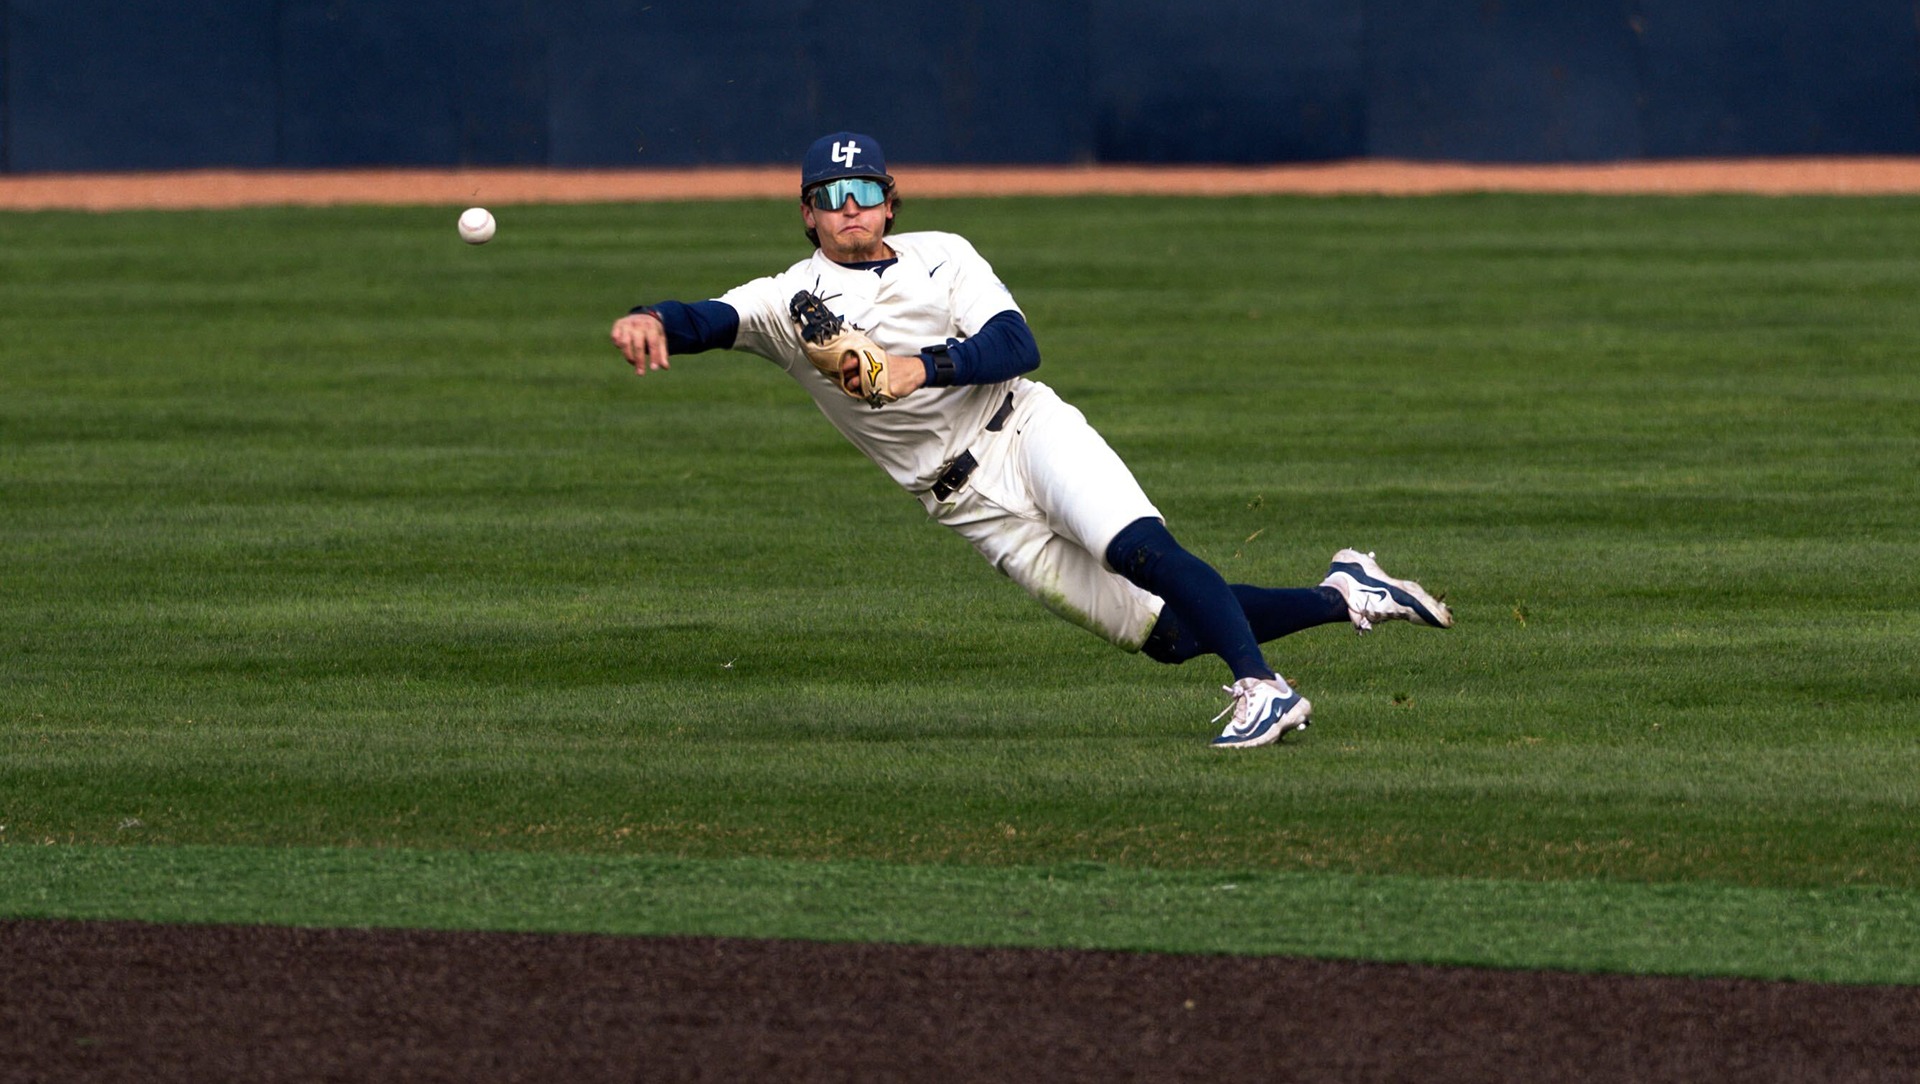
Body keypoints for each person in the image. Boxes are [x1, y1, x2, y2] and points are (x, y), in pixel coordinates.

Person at [609, 132, 1452, 748]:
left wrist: (917, 368)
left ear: (891, 201)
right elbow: (704, 319)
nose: (850, 208)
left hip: (1024, 428)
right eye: (830, 197)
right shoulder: (786, 303)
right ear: (806, 214)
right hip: (968, 506)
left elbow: (1017, 345)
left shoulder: (942, 258)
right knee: (1166, 637)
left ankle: (1263, 689)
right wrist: (651, 318)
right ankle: (1348, 594)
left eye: (865, 190)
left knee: (1140, 549)